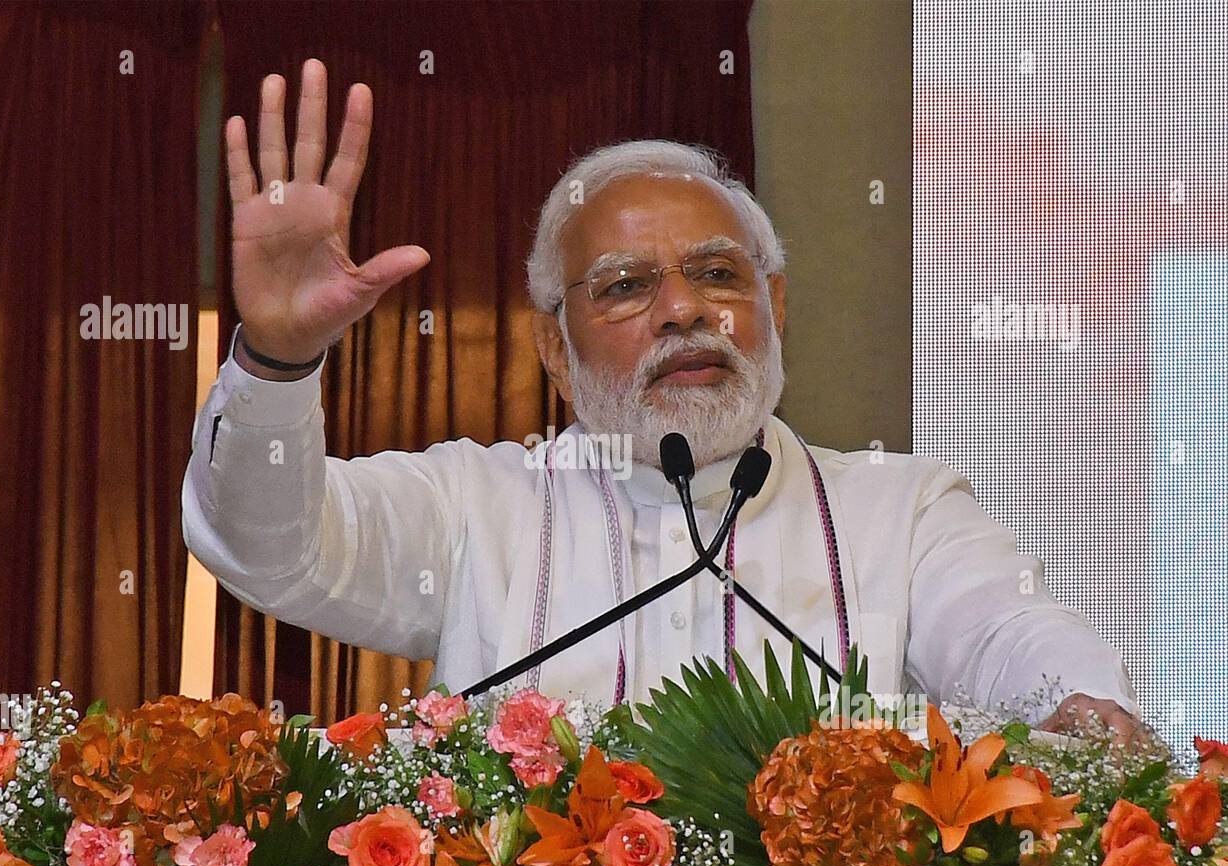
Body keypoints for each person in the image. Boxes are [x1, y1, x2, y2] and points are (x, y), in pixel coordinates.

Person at [182, 60, 1141, 739]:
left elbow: (1011, 633)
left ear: (773, 308)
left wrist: (1081, 707)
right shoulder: (475, 505)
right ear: (553, 349)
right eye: (626, 285)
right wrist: (275, 358)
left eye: (718, 273)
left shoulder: (905, 510)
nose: (684, 309)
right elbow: (275, 549)